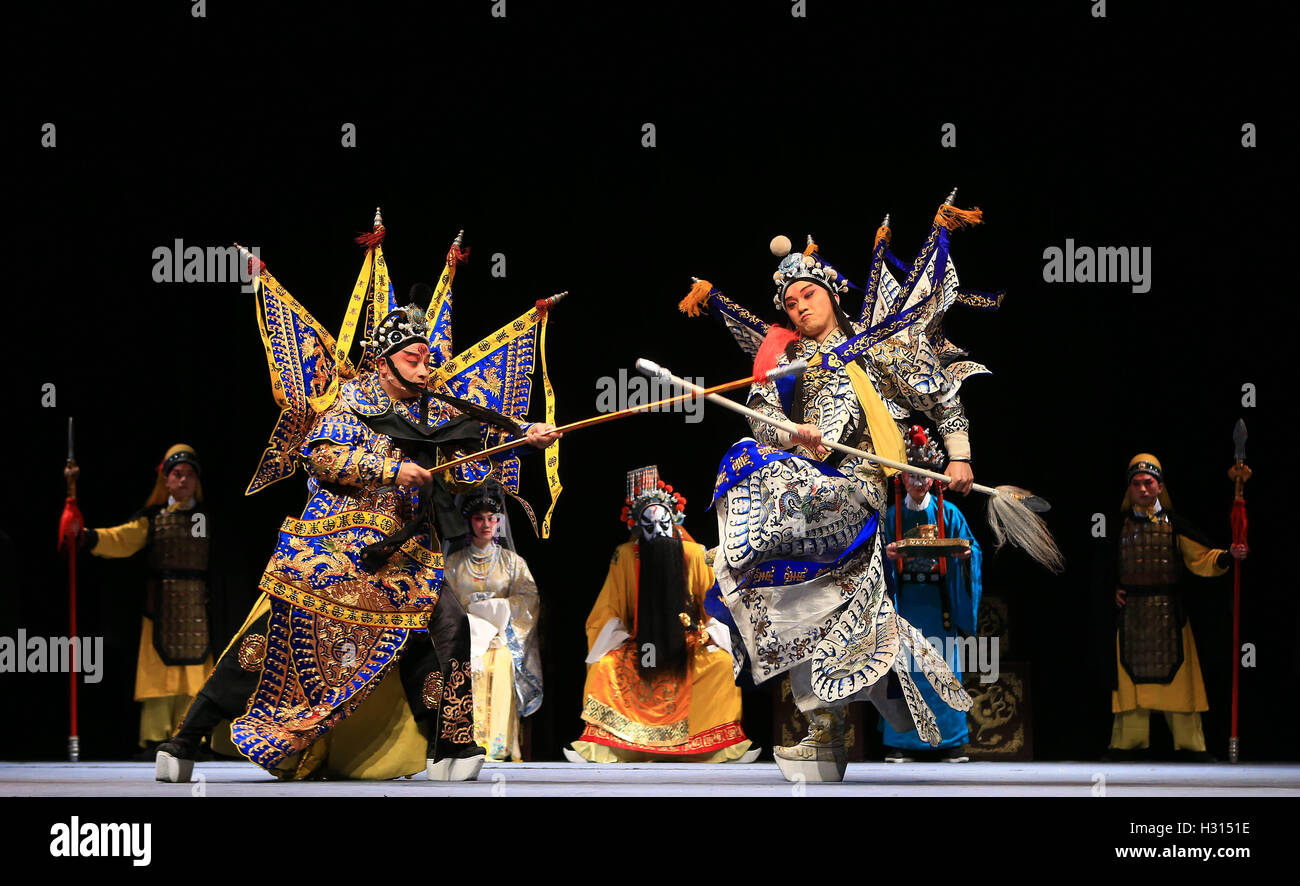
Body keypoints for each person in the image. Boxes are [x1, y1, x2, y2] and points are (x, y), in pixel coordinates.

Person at [155, 300, 561, 783]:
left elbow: (469, 457)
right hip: (338, 546)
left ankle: (452, 745)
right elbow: (321, 457)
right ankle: (184, 741)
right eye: (414, 358)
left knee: (449, 626)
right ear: (384, 361)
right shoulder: (353, 401)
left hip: (406, 555)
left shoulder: (433, 411)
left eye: (427, 359)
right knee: (267, 643)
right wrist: (390, 469)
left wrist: (522, 438)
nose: (425, 367)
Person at [689, 223, 988, 781]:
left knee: (785, 559)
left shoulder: (879, 351)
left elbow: (944, 397)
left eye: (808, 295)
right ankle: (830, 734)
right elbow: (761, 419)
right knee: (808, 610)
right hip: (802, 483)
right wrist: (791, 431)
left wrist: (960, 457)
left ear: (831, 293)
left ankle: (745, 565)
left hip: (852, 490)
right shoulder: (785, 358)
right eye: (789, 302)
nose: (799, 307)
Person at [563, 466, 756, 763]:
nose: (658, 531)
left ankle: (721, 747)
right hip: (641, 646)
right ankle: (605, 747)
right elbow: (608, 610)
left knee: (720, 664)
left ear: (675, 519)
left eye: (664, 522)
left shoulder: (694, 554)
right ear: (638, 527)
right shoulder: (626, 556)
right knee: (604, 666)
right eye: (649, 525)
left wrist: (709, 632)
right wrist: (617, 636)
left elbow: (716, 605)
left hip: (688, 648)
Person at [74, 445, 217, 755]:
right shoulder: (151, 518)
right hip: (161, 605)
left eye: (190, 475)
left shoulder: (207, 517)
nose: (183, 480)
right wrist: (87, 535)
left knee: (196, 676)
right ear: (165, 479)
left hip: (196, 605)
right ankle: (155, 739)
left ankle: (194, 736)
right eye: (177, 474)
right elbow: (122, 539)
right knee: (159, 674)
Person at [1105, 453, 1247, 761]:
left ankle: (1191, 746)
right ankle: (1127, 745)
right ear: (1129, 488)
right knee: (1131, 686)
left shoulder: (1175, 525)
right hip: (1131, 617)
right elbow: (1102, 570)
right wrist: (1111, 591)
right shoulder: (1118, 527)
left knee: (1181, 683)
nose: (1143, 489)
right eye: (1136, 484)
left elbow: (1201, 558)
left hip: (1169, 614)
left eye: (1148, 483)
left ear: (1159, 486)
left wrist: (1227, 556)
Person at [881, 427, 981, 762]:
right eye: (912, 474)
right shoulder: (891, 515)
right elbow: (872, 556)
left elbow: (971, 548)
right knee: (905, 671)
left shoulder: (950, 514)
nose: (918, 482)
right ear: (903, 478)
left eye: (924, 475)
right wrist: (887, 556)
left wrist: (968, 557)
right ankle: (902, 742)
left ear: (934, 478)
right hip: (905, 602)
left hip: (938, 606)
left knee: (943, 670)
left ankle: (951, 742)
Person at [442, 486, 543, 761]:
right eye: (479, 518)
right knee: (466, 666)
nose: (486, 524)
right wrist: (471, 617)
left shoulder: (513, 563)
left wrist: (498, 607)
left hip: (501, 639)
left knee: (501, 663)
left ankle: (498, 745)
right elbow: (444, 603)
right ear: (469, 522)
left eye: (491, 517)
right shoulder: (453, 564)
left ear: (499, 521)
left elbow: (529, 597)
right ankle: (465, 742)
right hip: (465, 642)